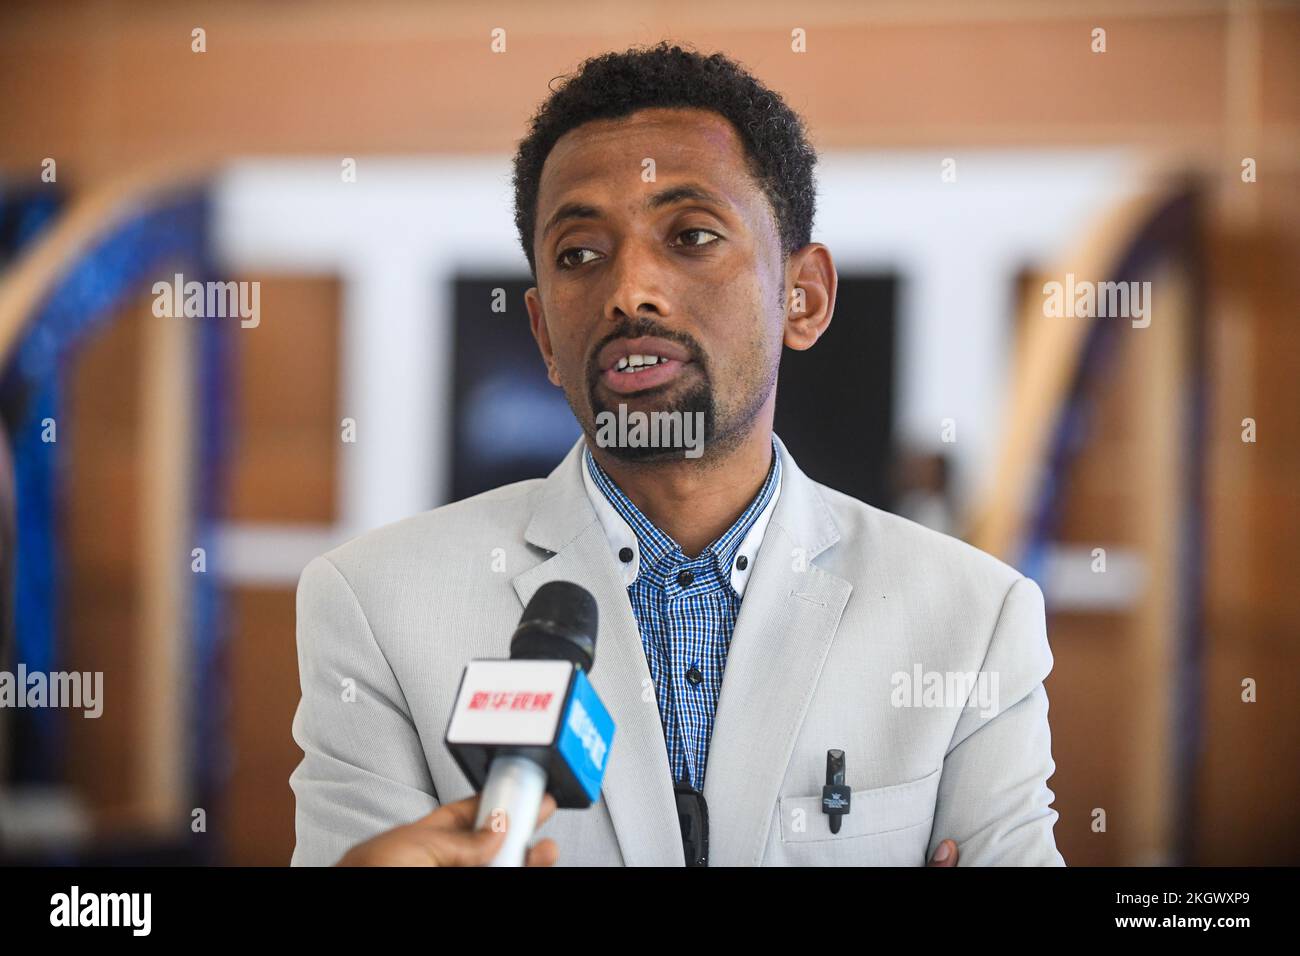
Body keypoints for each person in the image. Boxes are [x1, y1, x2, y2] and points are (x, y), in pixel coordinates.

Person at [290, 41, 1065, 867]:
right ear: (546, 336)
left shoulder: (974, 617)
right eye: (580, 254)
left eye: (691, 235)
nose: (631, 292)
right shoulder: (375, 606)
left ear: (803, 298)